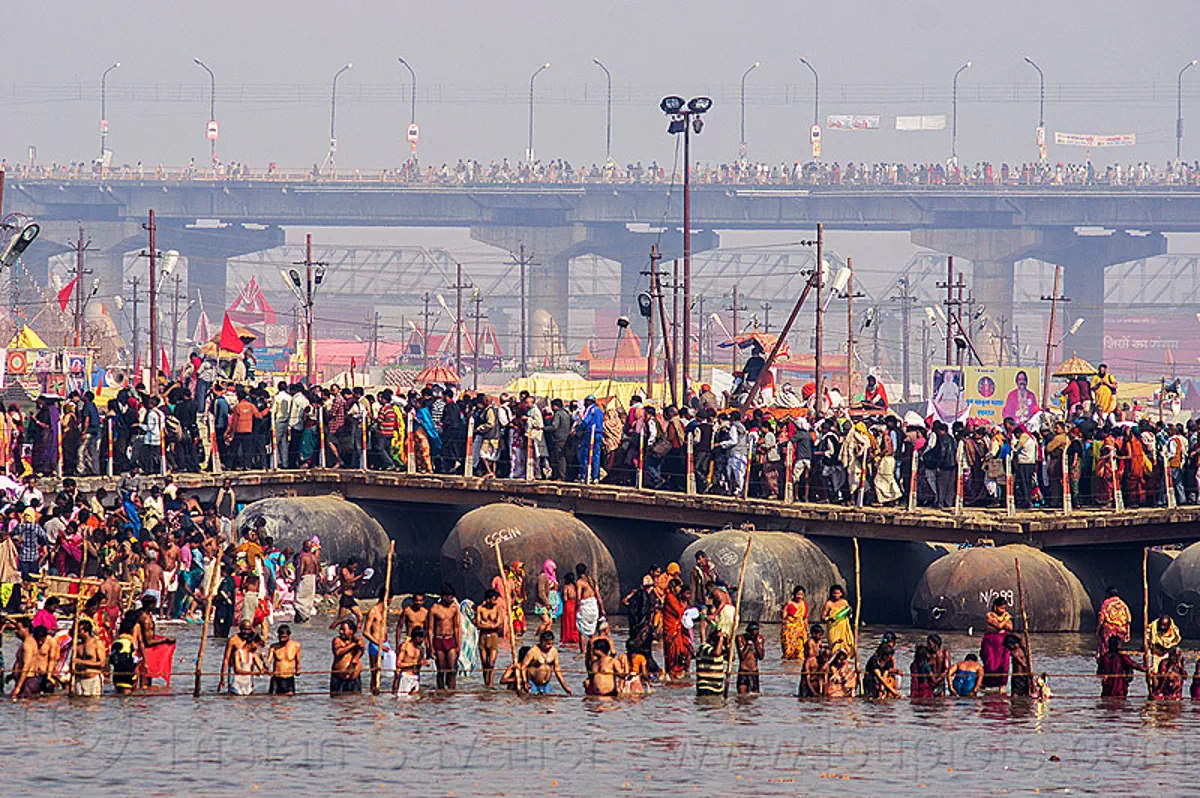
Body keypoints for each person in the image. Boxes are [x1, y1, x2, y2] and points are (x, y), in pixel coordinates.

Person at [427, 583, 462, 690]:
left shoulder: (454, 609)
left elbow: (457, 627)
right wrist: (431, 647)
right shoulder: (434, 609)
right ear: (443, 596)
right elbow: (430, 629)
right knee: (441, 669)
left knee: (452, 668)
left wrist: (459, 644)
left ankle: (451, 690)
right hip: (438, 639)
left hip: (450, 639)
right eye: (449, 596)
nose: (451, 598)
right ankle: (441, 691)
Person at [980, 596, 1013, 692]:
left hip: (1002, 643)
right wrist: (1005, 618)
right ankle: (985, 684)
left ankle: (1002, 686)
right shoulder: (989, 615)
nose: (1003, 610)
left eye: (1004, 608)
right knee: (990, 663)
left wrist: (1003, 620)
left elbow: (1010, 627)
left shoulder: (1005, 616)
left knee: (1004, 665)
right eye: (1001, 608)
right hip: (991, 644)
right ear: (995, 607)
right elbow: (999, 626)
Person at [522, 630, 571, 695]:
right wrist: (525, 682)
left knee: (549, 703)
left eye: (551, 644)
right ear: (541, 641)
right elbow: (523, 667)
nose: (548, 646)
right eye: (546, 644)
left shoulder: (554, 651)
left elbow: (557, 670)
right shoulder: (533, 651)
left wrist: (565, 687)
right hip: (533, 683)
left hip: (546, 684)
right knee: (532, 701)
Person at [363, 586, 389, 694]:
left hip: (385, 643)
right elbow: (365, 632)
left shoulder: (386, 610)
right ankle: (373, 695)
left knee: (384, 672)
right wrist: (379, 645)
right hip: (375, 645)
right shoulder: (374, 611)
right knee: (375, 673)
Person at [71, 618, 106, 697]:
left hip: (93, 679)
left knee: (92, 705)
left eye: (80, 631)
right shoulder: (77, 645)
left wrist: (81, 662)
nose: (78, 634)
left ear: (86, 631)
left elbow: (102, 664)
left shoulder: (96, 643)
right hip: (79, 679)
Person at [475, 590, 503, 687]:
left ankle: (490, 684)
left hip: (493, 637)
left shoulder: (498, 609)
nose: (495, 602)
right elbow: (478, 624)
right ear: (488, 599)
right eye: (493, 600)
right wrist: (490, 625)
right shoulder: (480, 609)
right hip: (483, 637)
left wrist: (487, 625)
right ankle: (486, 682)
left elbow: (499, 623)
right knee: (484, 661)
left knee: (491, 662)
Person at [330, 618, 365, 694]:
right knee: (337, 702)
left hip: (354, 678)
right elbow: (338, 652)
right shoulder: (337, 640)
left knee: (355, 701)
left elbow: (361, 650)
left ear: (351, 631)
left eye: (343, 630)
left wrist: (356, 657)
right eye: (340, 629)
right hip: (339, 678)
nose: (340, 632)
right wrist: (353, 645)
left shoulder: (357, 639)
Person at [1096, 586, 1132, 657]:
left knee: (1105, 649)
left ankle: (1105, 662)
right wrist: (1127, 632)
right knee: (1116, 650)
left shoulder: (1106, 603)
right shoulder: (1122, 604)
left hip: (1109, 630)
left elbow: (1101, 617)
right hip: (1121, 630)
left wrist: (1098, 628)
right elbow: (1129, 619)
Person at [694, 622, 727, 697]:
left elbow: (731, 659)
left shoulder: (721, 649)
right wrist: (721, 639)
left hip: (717, 688)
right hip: (705, 687)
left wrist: (728, 644)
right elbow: (716, 653)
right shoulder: (704, 647)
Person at [268, 624, 301, 695]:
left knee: (289, 703)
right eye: (280, 637)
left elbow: (298, 661)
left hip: (289, 678)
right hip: (277, 678)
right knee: (274, 701)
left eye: (284, 637)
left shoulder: (296, 646)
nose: (282, 639)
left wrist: (298, 670)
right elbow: (269, 661)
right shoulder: (273, 647)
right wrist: (265, 666)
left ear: (289, 635)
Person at [393, 626, 426, 696]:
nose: (422, 640)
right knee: (403, 701)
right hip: (405, 676)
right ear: (416, 637)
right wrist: (414, 663)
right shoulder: (405, 646)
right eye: (421, 638)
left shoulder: (421, 649)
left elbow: (418, 666)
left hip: (415, 677)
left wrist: (423, 663)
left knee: (415, 702)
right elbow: (398, 664)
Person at [822, 584, 854, 654]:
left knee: (847, 647)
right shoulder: (829, 603)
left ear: (841, 593)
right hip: (833, 628)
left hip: (844, 627)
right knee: (835, 648)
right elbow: (823, 617)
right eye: (834, 593)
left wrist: (850, 611)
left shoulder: (844, 602)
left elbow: (849, 614)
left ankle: (846, 663)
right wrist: (829, 619)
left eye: (838, 593)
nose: (836, 595)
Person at [735, 621, 765, 695]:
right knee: (742, 696)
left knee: (754, 696)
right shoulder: (740, 638)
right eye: (753, 631)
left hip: (754, 671)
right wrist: (748, 644)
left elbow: (761, 657)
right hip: (743, 670)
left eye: (756, 631)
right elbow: (742, 656)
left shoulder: (759, 639)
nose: (755, 633)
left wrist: (757, 644)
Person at [781, 585, 808, 660]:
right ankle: (788, 668)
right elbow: (784, 617)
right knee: (788, 652)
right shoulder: (789, 603)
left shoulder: (804, 605)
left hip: (800, 630)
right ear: (794, 594)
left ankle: (798, 668)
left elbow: (805, 618)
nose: (799, 596)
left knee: (800, 651)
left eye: (801, 594)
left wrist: (806, 629)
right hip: (789, 631)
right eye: (798, 594)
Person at [533, 559, 560, 636]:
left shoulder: (553, 577)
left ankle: (546, 638)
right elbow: (541, 591)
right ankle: (536, 637)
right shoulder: (543, 577)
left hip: (552, 602)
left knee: (550, 622)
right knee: (546, 621)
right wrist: (546, 602)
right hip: (543, 603)